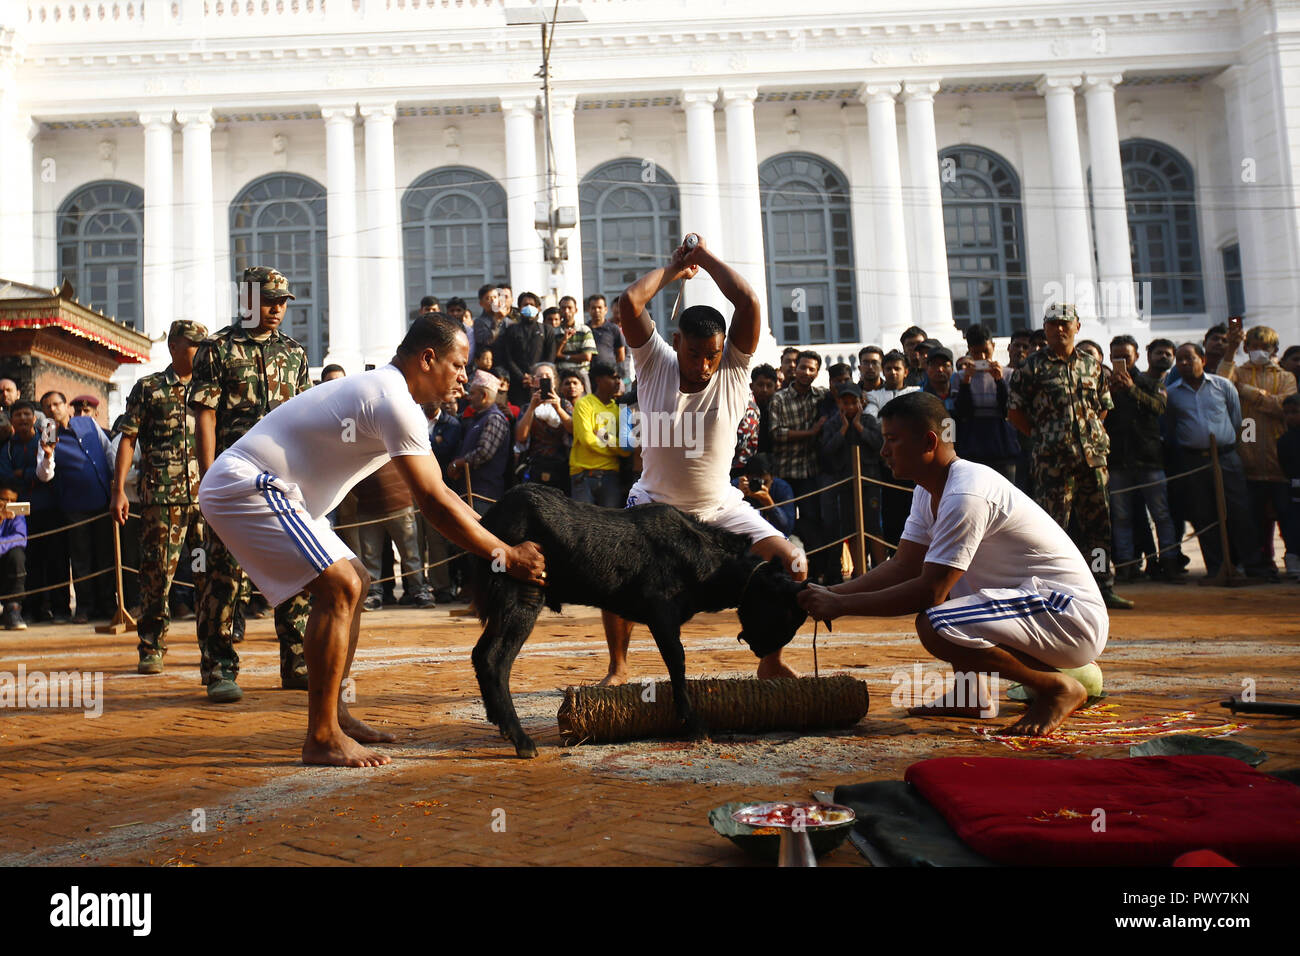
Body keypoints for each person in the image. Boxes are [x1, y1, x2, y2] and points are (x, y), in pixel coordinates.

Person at [198, 315, 545, 766]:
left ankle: (334, 717)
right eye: (459, 365)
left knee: (356, 579)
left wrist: (501, 545)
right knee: (340, 584)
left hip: (281, 490)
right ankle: (321, 736)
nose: (465, 376)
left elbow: (441, 491)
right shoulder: (392, 399)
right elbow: (434, 504)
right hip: (246, 483)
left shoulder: (398, 399)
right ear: (427, 359)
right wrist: (506, 555)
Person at [797, 391, 1108, 737]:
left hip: (1067, 614)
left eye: (892, 440)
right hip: (1040, 609)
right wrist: (831, 592)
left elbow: (929, 591)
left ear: (930, 441)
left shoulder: (965, 492)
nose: (883, 451)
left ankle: (1056, 687)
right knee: (948, 593)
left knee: (935, 622)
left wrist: (840, 604)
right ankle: (970, 692)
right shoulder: (928, 488)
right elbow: (903, 566)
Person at [600, 234, 805, 685]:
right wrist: (676, 267)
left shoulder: (733, 368)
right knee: (618, 574)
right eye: (695, 354)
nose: (704, 365)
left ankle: (769, 657)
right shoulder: (654, 362)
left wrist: (707, 258)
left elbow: (748, 301)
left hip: (720, 508)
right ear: (677, 342)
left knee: (793, 564)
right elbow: (629, 303)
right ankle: (618, 667)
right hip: (654, 505)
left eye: (712, 354)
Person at [188, 265, 313, 701]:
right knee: (223, 576)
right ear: (246, 300)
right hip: (234, 480)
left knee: (298, 569)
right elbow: (205, 413)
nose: (276, 309)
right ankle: (220, 668)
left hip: (283, 480)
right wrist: (208, 480)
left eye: (282, 302)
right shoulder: (217, 349)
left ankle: (296, 661)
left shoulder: (295, 354)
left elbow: (303, 419)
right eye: (267, 300)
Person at [1008, 304, 1132, 610]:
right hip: (1052, 462)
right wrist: (1043, 438)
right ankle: (1051, 589)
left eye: (1065, 324)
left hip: (1093, 461)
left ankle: (1103, 586)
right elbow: (1014, 413)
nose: (1059, 329)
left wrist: (1088, 438)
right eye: (1052, 325)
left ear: (1077, 326)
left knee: (1099, 527)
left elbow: (1102, 408)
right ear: (1045, 329)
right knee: (1052, 529)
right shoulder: (1031, 368)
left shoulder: (1092, 366)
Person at [111, 320, 209, 675]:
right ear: (174, 347)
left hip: (204, 503)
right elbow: (128, 439)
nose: (200, 351)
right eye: (194, 345)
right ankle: (151, 646)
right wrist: (119, 489)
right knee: (156, 576)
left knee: (205, 573)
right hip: (161, 503)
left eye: (203, 345)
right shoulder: (149, 389)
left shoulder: (209, 390)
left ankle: (212, 649)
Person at [1166, 342, 1275, 580]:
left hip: (1227, 457)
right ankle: (1216, 568)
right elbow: (1172, 427)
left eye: (1189, 358)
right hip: (1194, 462)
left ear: (1202, 360)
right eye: (1180, 359)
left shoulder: (1223, 386)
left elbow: (1238, 421)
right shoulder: (1172, 394)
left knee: (1239, 511)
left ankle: (1253, 567)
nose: (1184, 363)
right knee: (1203, 515)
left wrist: (1239, 449)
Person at [1217, 323, 1298, 571]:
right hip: (1249, 447)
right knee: (1252, 518)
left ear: (1274, 349)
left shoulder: (1285, 377)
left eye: (1265, 347)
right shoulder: (1238, 372)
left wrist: (1246, 392)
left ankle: (1293, 560)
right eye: (1254, 346)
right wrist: (1230, 349)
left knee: (1287, 515)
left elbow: (1281, 406)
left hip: (1278, 458)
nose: (1259, 351)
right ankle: (1259, 562)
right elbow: (1221, 384)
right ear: (1247, 347)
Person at [1104, 334, 1181, 582]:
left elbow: (1158, 407)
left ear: (1136, 356)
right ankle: (1127, 566)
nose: (1122, 361)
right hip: (1118, 462)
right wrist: (1109, 394)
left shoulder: (1150, 382)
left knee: (1161, 515)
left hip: (1149, 460)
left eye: (1126, 356)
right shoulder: (1104, 385)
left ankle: (1169, 562)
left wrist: (1131, 390)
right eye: (1117, 356)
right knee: (1122, 516)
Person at [37, 390, 114, 623]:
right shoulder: (48, 431)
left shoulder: (87, 422)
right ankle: (85, 607)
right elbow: (43, 475)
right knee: (81, 558)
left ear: (65, 406)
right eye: (47, 406)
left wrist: (115, 488)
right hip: (74, 505)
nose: (52, 409)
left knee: (105, 555)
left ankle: (108, 606)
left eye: (56, 404)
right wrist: (49, 455)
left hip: (101, 498)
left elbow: (108, 452)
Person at [3, 400, 67, 623]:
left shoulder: (44, 438)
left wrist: (24, 473)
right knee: (30, 561)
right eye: (17, 415)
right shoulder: (7, 448)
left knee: (55, 559)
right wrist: (25, 475)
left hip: (47, 508)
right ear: (11, 420)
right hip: (18, 513)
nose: (22, 418)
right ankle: (31, 609)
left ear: (34, 417)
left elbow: (45, 475)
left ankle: (60, 609)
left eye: (26, 414)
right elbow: (4, 475)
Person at [770, 350, 831, 581]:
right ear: (795, 369)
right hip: (784, 471)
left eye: (811, 369)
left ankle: (813, 574)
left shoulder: (821, 397)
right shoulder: (779, 398)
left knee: (811, 523)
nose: (806, 372)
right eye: (802, 367)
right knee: (781, 523)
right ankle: (781, 575)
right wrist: (811, 432)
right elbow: (777, 434)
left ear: (817, 372)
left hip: (810, 472)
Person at [818, 382, 883, 577]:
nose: (849, 407)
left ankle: (880, 571)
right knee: (851, 527)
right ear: (838, 403)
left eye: (853, 402)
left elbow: (879, 444)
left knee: (873, 526)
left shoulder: (870, 421)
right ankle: (859, 572)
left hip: (869, 482)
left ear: (861, 402)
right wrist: (844, 430)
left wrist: (859, 427)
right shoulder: (833, 424)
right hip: (844, 483)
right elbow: (827, 451)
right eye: (844, 403)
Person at [354, 461, 436, 610]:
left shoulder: (390, 440)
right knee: (370, 555)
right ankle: (374, 594)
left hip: (399, 503)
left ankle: (419, 591)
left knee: (410, 553)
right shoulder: (357, 445)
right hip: (367, 507)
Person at [953, 325, 1019, 483]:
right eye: (976, 353)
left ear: (993, 346)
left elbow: (1008, 410)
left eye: (986, 351)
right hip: (972, 445)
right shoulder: (959, 377)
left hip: (1002, 445)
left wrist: (999, 381)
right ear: (969, 350)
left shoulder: (1008, 374)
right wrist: (966, 383)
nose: (982, 357)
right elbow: (962, 412)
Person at [447, 371, 512, 514]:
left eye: (473, 394)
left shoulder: (494, 418)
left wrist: (457, 464)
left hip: (483, 496)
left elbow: (484, 453)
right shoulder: (479, 419)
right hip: (470, 494)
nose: (469, 398)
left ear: (484, 396)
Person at [569, 361, 629, 507]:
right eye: (613, 377)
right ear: (598, 380)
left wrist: (604, 436)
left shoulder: (620, 410)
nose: (618, 382)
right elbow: (588, 441)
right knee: (582, 527)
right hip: (583, 475)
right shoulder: (584, 404)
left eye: (619, 378)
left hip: (611, 478)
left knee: (610, 527)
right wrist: (615, 448)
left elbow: (626, 451)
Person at [516, 362, 573, 495]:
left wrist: (558, 408)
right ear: (534, 381)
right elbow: (521, 437)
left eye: (548, 376)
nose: (544, 378)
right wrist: (532, 408)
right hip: (535, 466)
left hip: (562, 467)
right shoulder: (526, 407)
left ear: (554, 381)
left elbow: (573, 430)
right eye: (540, 376)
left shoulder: (565, 405)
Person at [496, 291, 555, 408]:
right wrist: (522, 377)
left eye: (532, 305)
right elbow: (508, 357)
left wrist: (537, 377)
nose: (529, 307)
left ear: (539, 308)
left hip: (542, 383)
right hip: (518, 384)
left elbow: (550, 357)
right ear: (519, 308)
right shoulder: (511, 330)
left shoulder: (547, 330)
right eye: (525, 304)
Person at [734, 453, 795, 537]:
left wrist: (770, 505)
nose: (760, 486)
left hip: (773, 538)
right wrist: (738, 496)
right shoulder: (737, 486)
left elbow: (787, 529)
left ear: (772, 478)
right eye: (754, 481)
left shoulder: (782, 488)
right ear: (746, 477)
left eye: (764, 482)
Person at [1277, 394, 1300, 577]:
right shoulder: (1284, 440)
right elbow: (1286, 467)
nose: (1290, 417)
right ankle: (1292, 557)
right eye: (1287, 413)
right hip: (1294, 489)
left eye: (1295, 412)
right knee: (1292, 524)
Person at [0, 477, 27, 630]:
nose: (8, 504)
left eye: (12, 500)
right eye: (4, 499)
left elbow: (21, 538)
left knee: (17, 555)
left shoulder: (17, 514)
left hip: (5, 565)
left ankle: (13, 609)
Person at [865, 350, 919, 420]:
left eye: (897, 369)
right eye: (888, 369)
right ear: (883, 372)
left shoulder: (916, 392)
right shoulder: (873, 396)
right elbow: (870, 419)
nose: (893, 372)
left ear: (906, 372)